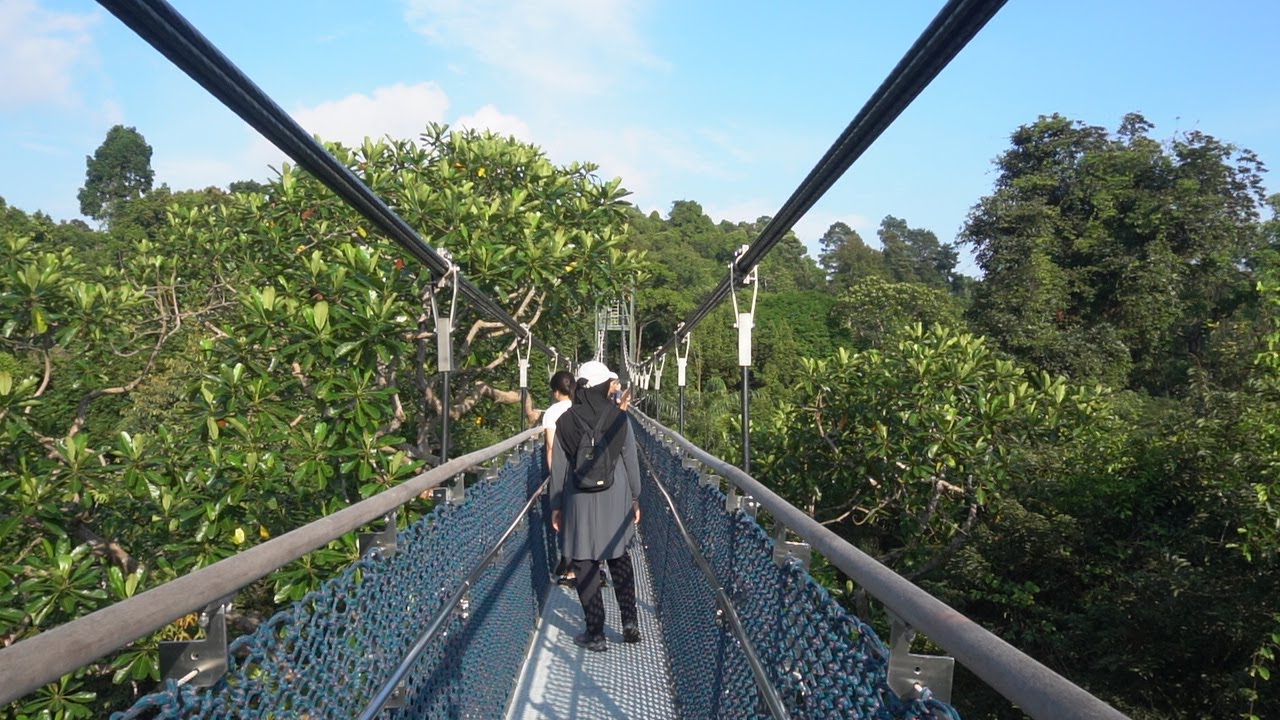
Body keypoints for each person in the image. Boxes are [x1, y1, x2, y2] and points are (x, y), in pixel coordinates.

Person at [550, 360, 642, 652]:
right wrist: (635, 498)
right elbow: (630, 462)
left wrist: (556, 504)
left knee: (584, 560)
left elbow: (559, 469)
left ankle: (596, 633)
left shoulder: (564, 421)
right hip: (616, 494)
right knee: (618, 554)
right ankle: (629, 622)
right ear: (604, 387)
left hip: (578, 498)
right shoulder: (619, 418)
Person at [541, 370, 577, 585]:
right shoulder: (581, 407)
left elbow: (551, 446)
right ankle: (588, 566)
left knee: (564, 517)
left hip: (563, 471)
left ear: (556, 391)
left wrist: (554, 474)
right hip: (584, 470)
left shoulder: (552, 412)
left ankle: (570, 566)